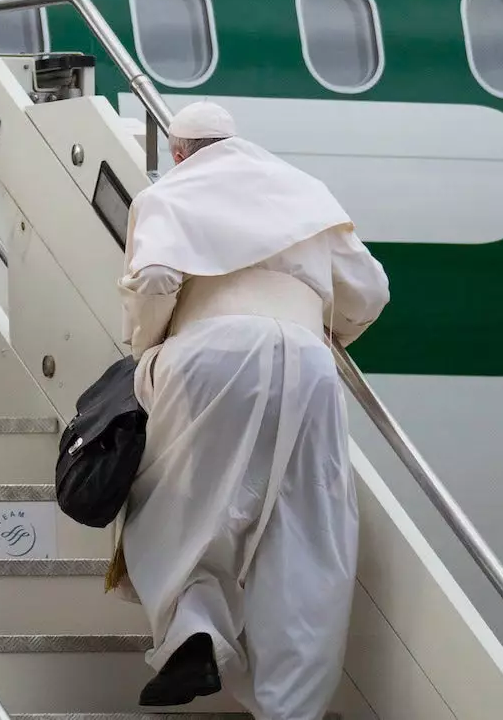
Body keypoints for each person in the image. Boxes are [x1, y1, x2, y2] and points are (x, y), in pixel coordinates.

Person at [111, 101, 390, 717]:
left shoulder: (171, 192)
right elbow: (371, 291)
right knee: (305, 535)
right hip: (310, 364)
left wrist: (147, 346)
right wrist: (324, 326)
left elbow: (156, 276)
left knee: (179, 500)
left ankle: (194, 633)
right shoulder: (304, 193)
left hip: (211, 352)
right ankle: (291, 707)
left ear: (179, 152)